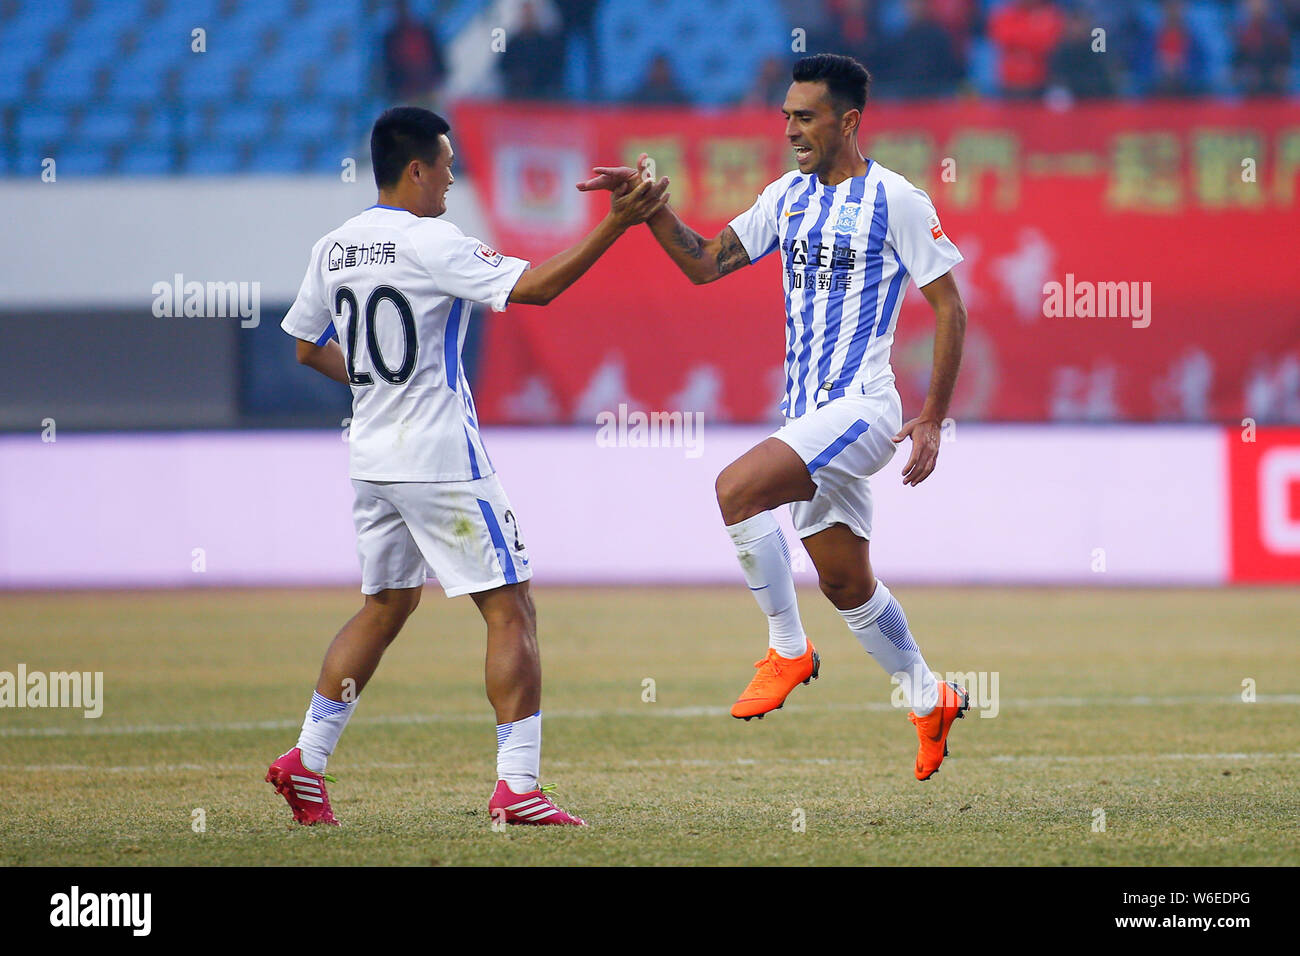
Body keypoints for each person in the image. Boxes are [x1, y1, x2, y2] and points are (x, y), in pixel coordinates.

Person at [268, 107, 668, 826]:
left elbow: (302, 346)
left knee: (386, 605)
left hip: (372, 457)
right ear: (416, 168)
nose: (453, 178)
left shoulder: (334, 248)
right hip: (441, 456)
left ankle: (306, 759)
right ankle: (517, 788)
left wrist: (374, 386)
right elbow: (537, 289)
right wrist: (617, 223)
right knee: (509, 606)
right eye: (448, 165)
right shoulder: (431, 240)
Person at [578, 54, 972, 781]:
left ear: (848, 121)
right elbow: (702, 263)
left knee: (736, 489)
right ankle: (929, 694)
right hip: (807, 415)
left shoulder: (898, 201)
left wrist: (933, 417)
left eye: (805, 116)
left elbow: (950, 306)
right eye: (786, 115)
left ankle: (788, 649)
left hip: (862, 409)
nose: (789, 128)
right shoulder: (786, 198)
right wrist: (650, 208)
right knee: (846, 583)